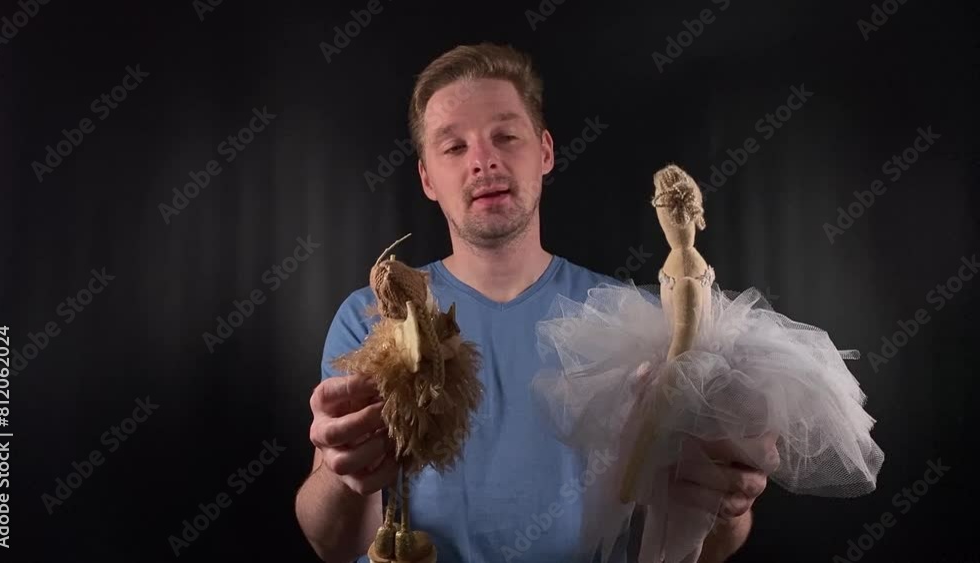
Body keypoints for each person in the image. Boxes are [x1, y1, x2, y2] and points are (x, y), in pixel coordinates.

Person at [293, 42, 774, 563]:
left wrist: (725, 504)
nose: (484, 161)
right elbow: (333, 546)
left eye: (505, 135)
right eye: (454, 147)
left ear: (544, 151)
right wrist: (339, 468)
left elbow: (702, 547)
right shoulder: (372, 316)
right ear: (427, 178)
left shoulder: (633, 323)